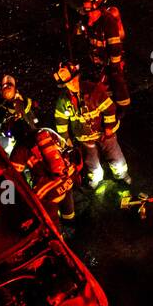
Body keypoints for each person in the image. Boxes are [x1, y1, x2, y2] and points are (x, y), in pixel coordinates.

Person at [52, 61, 132, 206]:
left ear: (77, 77)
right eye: (68, 83)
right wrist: (65, 140)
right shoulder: (64, 101)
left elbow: (110, 109)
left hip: (105, 134)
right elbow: (61, 122)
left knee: (115, 155)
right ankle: (95, 179)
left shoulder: (93, 90)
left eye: (74, 79)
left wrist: (108, 128)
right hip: (85, 138)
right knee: (91, 162)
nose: (72, 84)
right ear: (65, 85)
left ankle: (122, 176)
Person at [10, 124, 77, 229]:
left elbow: (15, 176)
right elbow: (65, 148)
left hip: (47, 190)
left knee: (51, 219)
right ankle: (71, 224)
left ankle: (59, 239)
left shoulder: (19, 149)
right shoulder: (47, 131)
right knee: (68, 207)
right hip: (66, 178)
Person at [73, 0, 130, 112]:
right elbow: (82, 42)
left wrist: (113, 67)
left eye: (92, 13)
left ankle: (121, 109)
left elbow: (115, 47)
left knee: (115, 82)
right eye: (88, 13)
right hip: (94, 61)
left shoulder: (108, 22)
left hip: (109, 62)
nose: (89, 16)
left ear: (99, 10)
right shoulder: (86, 21)